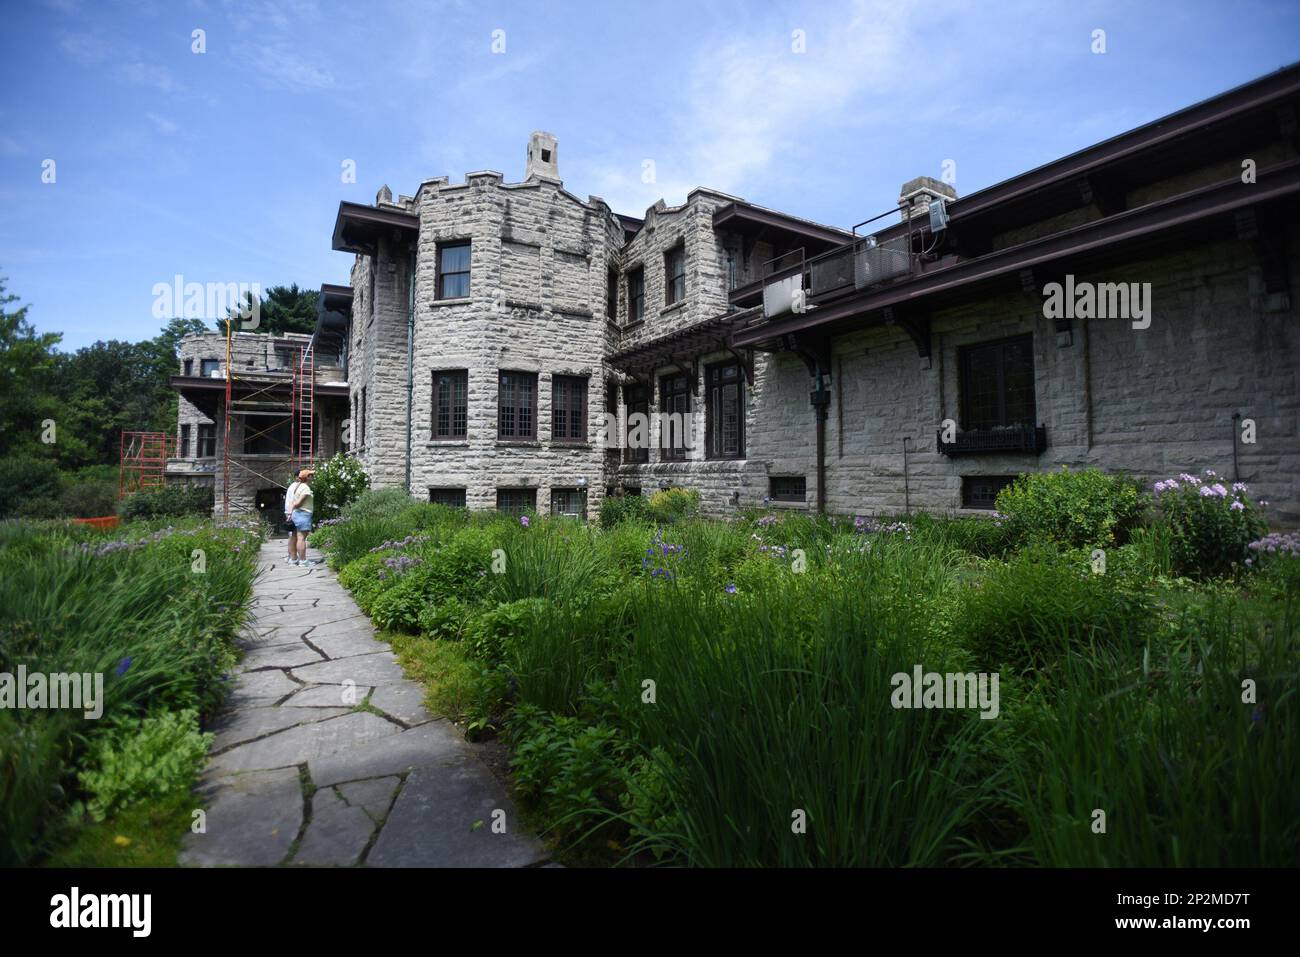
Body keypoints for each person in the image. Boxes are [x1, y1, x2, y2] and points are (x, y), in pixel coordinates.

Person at [286, 467, 318, 567]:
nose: (313, 477)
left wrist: (290, 513)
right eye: (311, 475)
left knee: (293, 536)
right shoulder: (305, 488)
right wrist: (293, 508)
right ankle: (303, 561)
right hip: (303, 514)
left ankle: (293, 559)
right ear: (307, 477)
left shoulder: (298, 486)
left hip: (296, 514)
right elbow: (298, 503)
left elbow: (292, 502)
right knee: (301, 538)